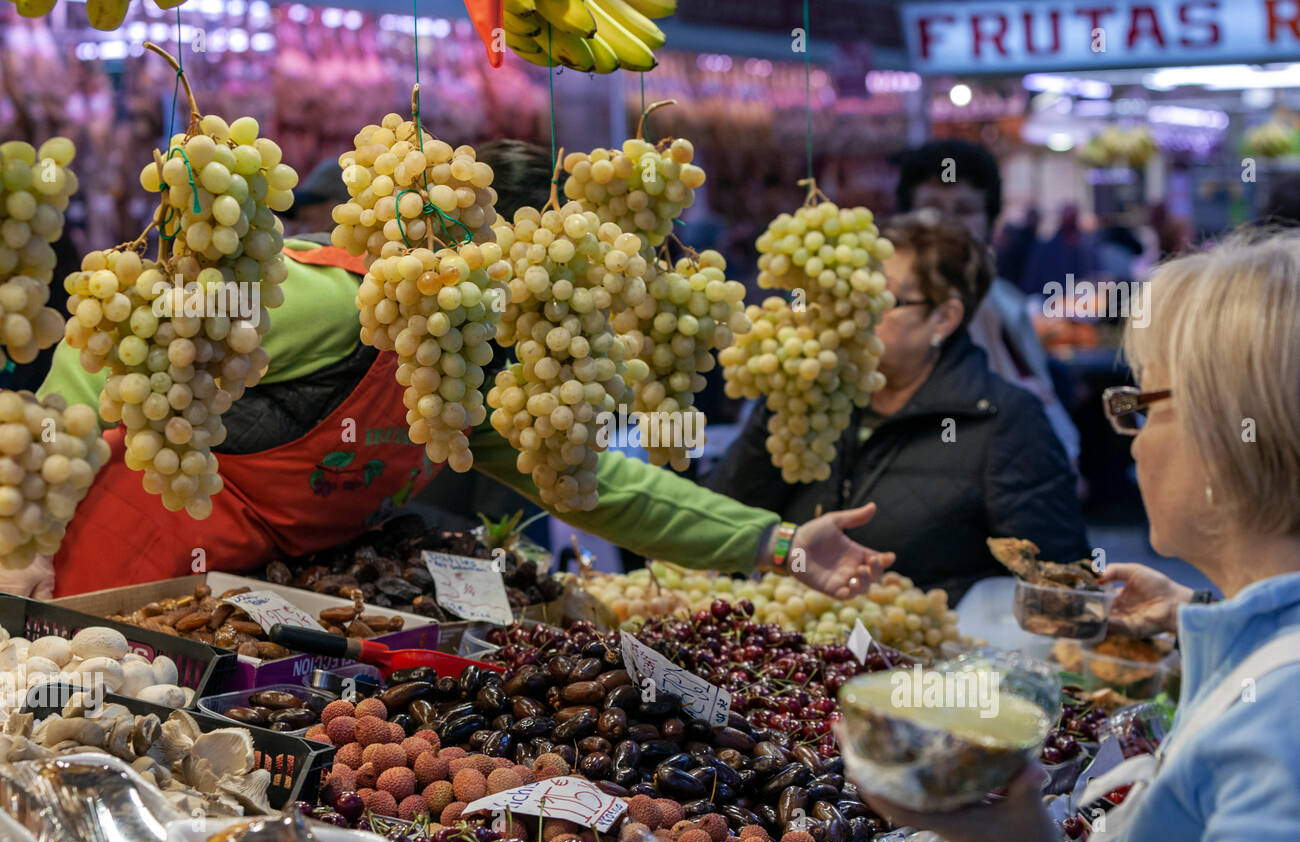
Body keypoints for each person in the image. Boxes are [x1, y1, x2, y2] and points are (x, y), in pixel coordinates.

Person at [2, 140, 891, 602]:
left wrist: (775, 544)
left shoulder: (482, 368)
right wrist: (26, 541)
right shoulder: (337, 303)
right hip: (103, 558)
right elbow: (115, 348)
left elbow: (596, 488)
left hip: (232, 593)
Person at [855, 231, 1300, 842]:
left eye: (1141, 406)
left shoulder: (1280, 716)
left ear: (1227, 432)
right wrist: (1201, 610)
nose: (1135, 444)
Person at [707, 213, 1088, 604]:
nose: (852, 311)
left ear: (943, 318)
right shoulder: (812, 399)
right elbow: (721, 524)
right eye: (847, 292)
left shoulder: (1003, 418)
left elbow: (1061, 584)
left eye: (878, 298)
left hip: (933, 657)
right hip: (792, 649)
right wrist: (779, 405)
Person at [895, 139, 1080, 462]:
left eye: (965, 210)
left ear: (990, 221)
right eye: (932, 208)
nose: (946, 224)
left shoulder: (1005, 301)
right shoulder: (891, 314)